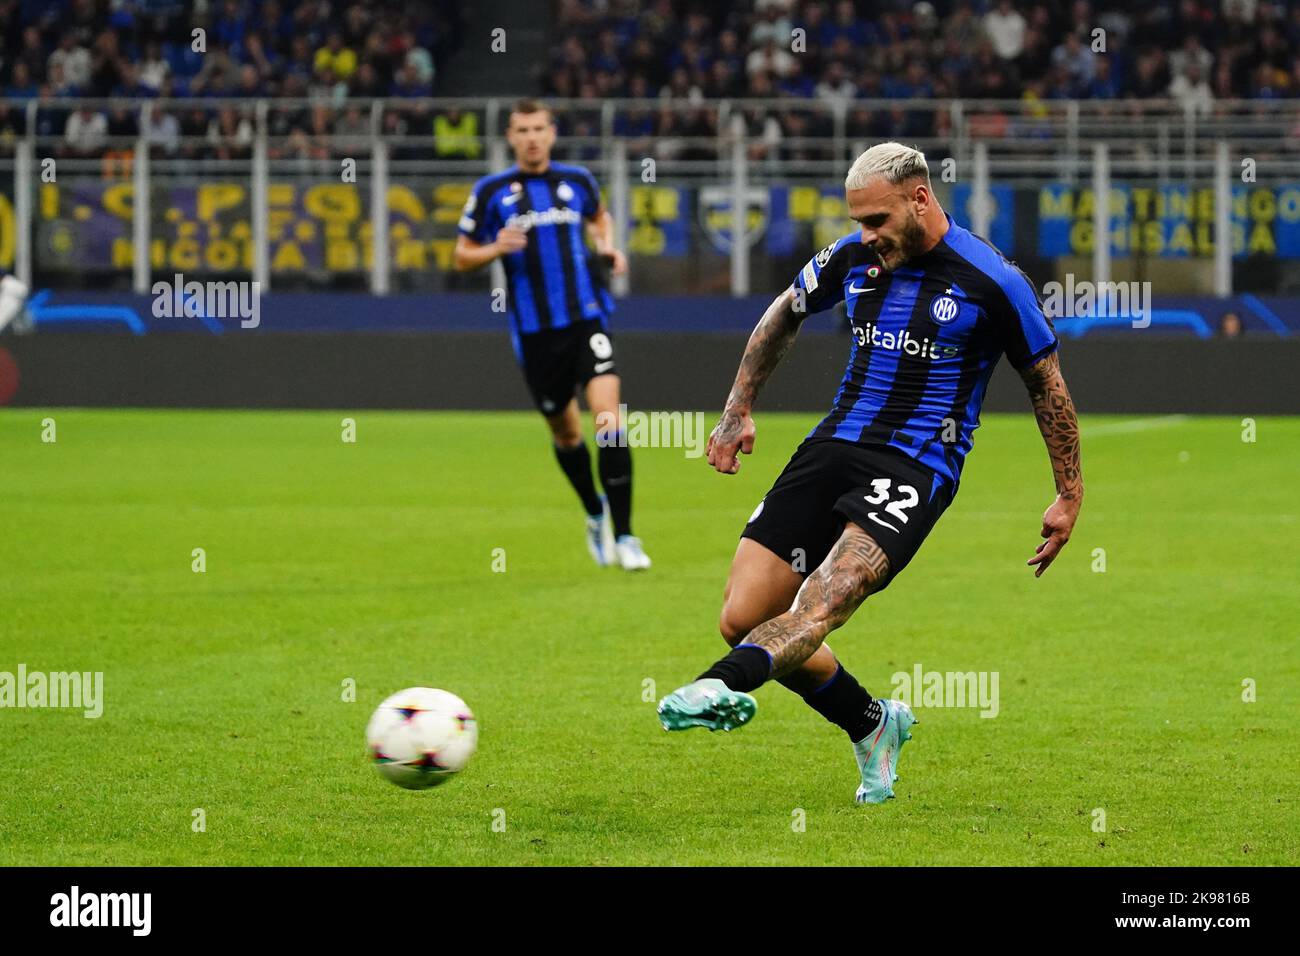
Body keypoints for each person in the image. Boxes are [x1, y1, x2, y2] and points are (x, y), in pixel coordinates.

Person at [657, 143, 1084, 803]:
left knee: (824, 600)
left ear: (921, 199)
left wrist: (1068, 493)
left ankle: (717, 684)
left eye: (877, 220)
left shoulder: (993, 280)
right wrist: (736, 409)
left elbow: (1046, 387)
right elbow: (784, 314)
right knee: (744, 615)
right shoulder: (853, 258)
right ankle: (873, 724)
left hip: (916, 465)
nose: (867, 235)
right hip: (833, 446)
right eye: (858, 220)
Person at [453, 99, 650, 571]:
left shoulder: (577, 180)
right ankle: (593, 509)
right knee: (566, 433)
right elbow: (461, 255)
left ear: (552, 132)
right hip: (536, 334)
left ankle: (626, 536)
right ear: (510, 137)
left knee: (608, 418)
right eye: (522, 129)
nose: (532, 137)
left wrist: (607, 246)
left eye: (539, 128)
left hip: (587, 319)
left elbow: (600, 217)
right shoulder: (491, 191)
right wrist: (494, 247)